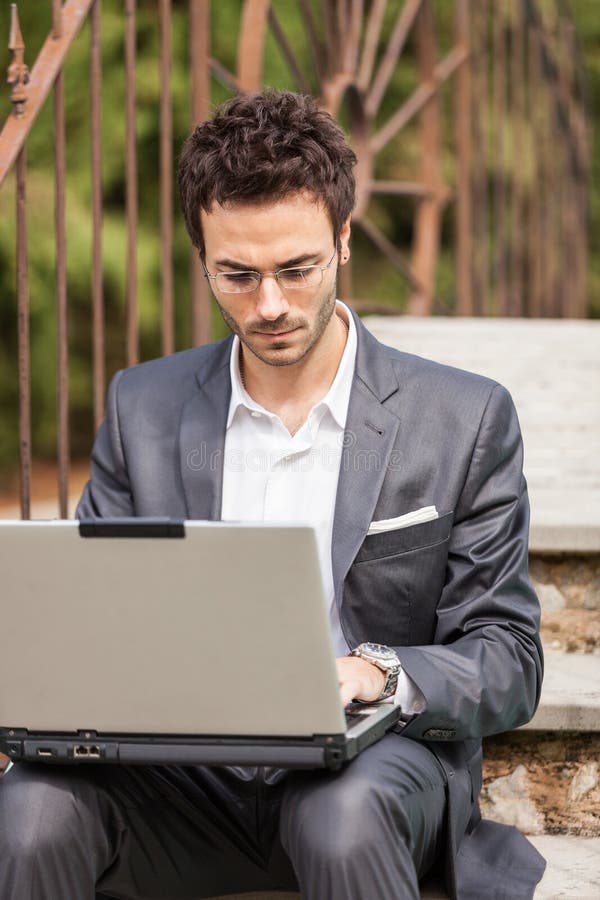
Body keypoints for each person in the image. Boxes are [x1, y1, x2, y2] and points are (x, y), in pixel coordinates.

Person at [0, 90, 545, 900]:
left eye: (297, 268)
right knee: (29, 810)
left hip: (367, 768)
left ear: (345, 239)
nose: (271, 306)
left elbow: (509, 657)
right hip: (180, 777)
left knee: (341, 818)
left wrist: (378, 672)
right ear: (202, 257)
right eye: (237, 275)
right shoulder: (140, 408)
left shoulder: (463, 418)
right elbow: (95, 628)